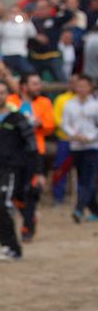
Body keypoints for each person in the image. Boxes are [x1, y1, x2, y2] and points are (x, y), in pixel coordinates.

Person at [0, 80, 39, 260]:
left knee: (2, 204)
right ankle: (7, 245)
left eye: (2, 92)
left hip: (13, 169)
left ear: (7, 94)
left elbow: (31, 145)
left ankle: (15, 246)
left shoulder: (17, 117)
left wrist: (34, 170)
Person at [6, 73, 54, 242]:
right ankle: (29, 215)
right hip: (15, 151)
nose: (38, 87)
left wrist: (41, 124)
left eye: (39, 84)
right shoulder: (11, 101)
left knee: (32, 190)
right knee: (16, 192)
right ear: (24, 86)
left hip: (36, 151)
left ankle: (27, 226)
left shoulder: (44, 102)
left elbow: (50, 125)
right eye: (34, 84)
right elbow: (7, 122)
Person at [62, 75, 98, 223]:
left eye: (85, 86)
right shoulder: (69, 105)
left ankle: (79, 208)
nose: (82, 89)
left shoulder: (95, 105)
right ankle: (95, 210)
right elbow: (65, 124)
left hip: (92, 145)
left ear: (90, 87)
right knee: (82, 178)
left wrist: (91, 137)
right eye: (79, 86)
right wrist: (74, 135)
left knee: (88, 179)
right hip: (76, 146)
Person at [0, 5, 37, 78]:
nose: (14, 14)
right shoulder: (4, 23)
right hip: (6, 54)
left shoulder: (24, 23)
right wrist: (2, 21)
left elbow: (33, 34)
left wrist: (27, 21)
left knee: (28, 73)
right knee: (4, 74)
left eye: (17, 12)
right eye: (12, 12)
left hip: (20, 54)